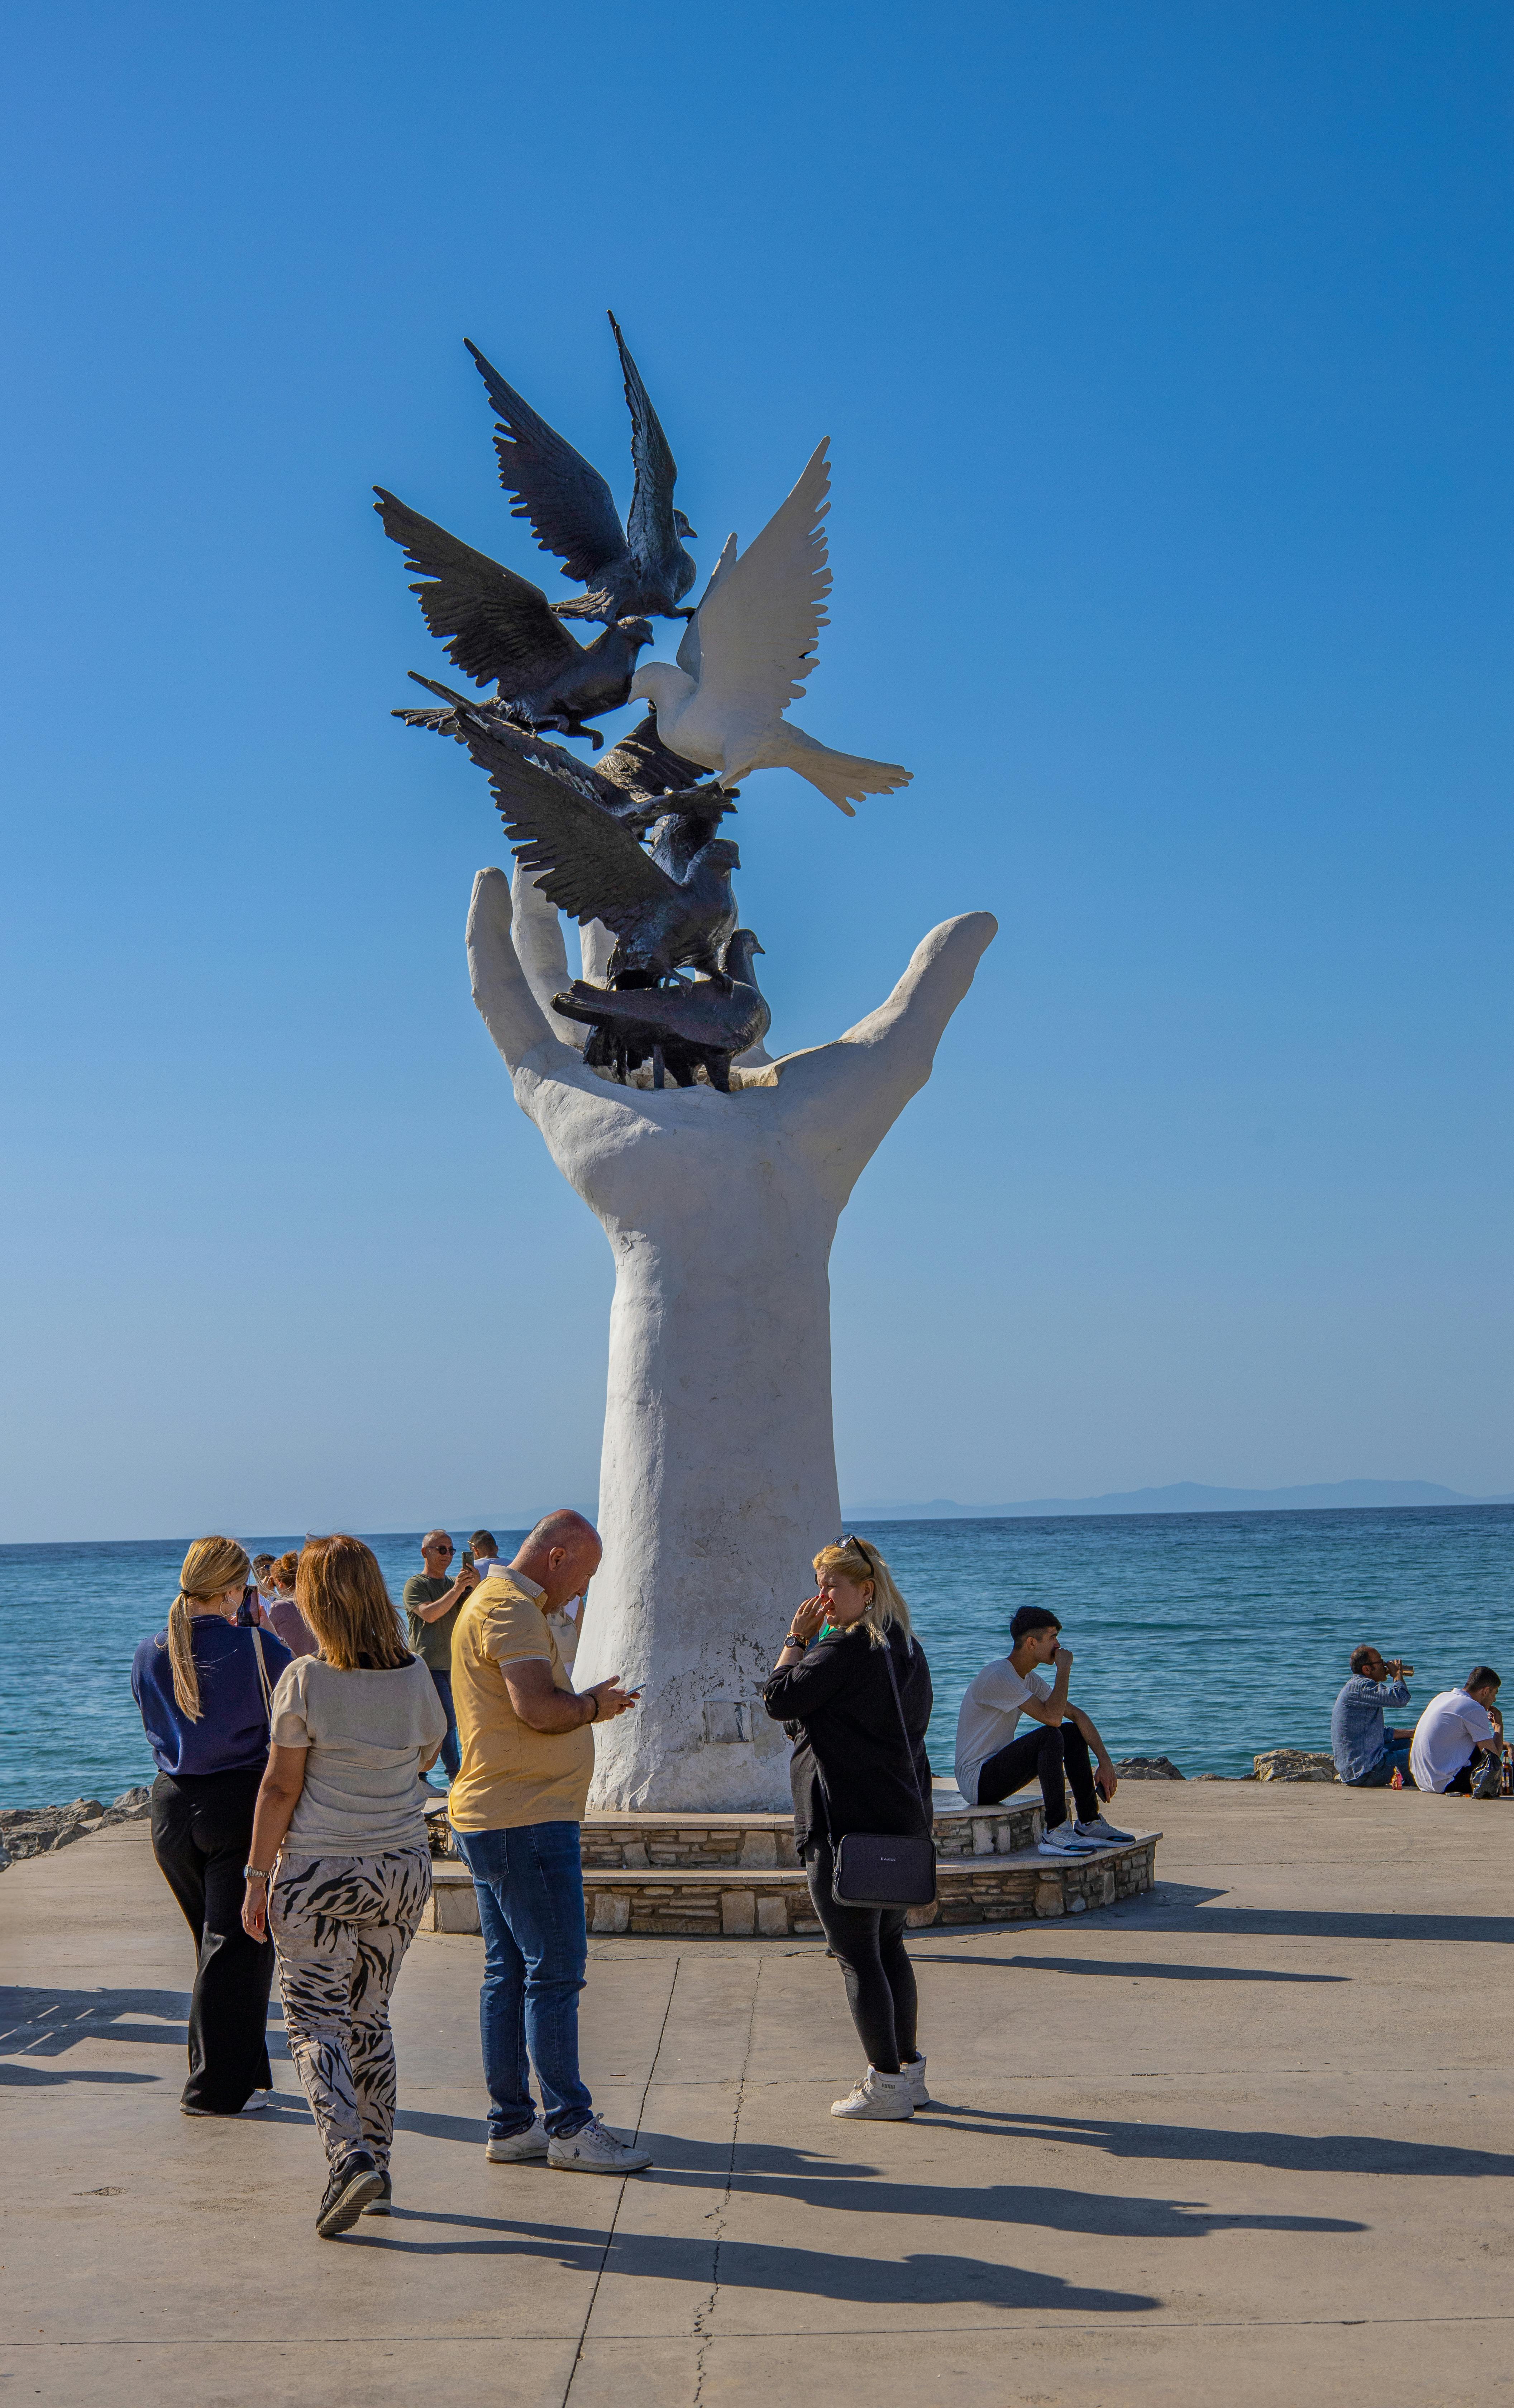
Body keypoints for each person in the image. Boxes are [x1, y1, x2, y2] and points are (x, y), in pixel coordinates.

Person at [241, 1533, 448, 2238]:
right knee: (370, 2015)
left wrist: (254, 1878)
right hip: (399, 1870)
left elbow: (278, 1788)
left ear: (317, 1601)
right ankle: (379, 2170)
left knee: (313, 2020)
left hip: (319, 1873)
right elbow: (426, 1754)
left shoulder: (304, 1679)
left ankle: (347, 2155)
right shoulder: (416, 1675)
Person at [448, 1509, 650, 2174]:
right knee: (556, 1970)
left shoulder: (497, 1602)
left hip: (497, 1812)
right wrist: (593, 1706)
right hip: (524, 1818)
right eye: (585, 1574)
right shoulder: (510, 1609)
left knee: (509, 1973)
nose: (584, 1591)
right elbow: (537, 1709)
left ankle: (512, 2125)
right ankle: (567, 2125)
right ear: (559, 1557)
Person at [764, 1535, 936, 2122]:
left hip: (842, 1826)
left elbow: (780, 1698)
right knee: (889, 1946)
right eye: (820, 1584)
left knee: (856, 1954)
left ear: (866, 1590)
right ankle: (907, 2074)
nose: (823, 1597)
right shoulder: (906, 1650)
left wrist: (796, 1640)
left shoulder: (840, 1650)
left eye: (832, 1585)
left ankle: (884, 2085)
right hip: (897, 1820)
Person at [131, 1535, 293, 2116]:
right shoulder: (259, 1648)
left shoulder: (150, 1651)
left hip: (171, 1809)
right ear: (232, 1590)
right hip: (238, 1808)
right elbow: (294, 1733)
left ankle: (241, 2075)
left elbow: (154, 1726)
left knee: (216, 1948)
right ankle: (214, 2092)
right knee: (241, 1948)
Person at [954, 1606, 1133, 1856]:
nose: (1058, 1646)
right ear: (1030, 1643)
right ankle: (1055, 1830)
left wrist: (1105, 1762)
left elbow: (1077, 1715)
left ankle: (1089, 1822)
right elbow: (1051, 1718)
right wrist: (1064, 1669)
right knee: (1050, 1734)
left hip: (995, 1771)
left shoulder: (1027, 1678)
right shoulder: (998, 1676)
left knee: (1070, 1732)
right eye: (1052, 1638)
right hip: (977, 1782)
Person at [402, 1531, 481, 1783]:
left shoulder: (452, 1586)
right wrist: (457, 1589)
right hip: (428, 1665)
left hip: (455, 1666)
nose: (448, 1555)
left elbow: (474, 1615)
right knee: (444, 1723)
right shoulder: (417, 1584)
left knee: (448, 1723)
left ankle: (423, 1776)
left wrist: (475, 1587)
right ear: (426, 1552)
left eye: (451, 1550)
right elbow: (430, 1614)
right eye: (442, 1549)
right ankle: (454, 1777)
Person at [1331, 1647, 1417, 1787]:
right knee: (1421, 1753)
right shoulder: (1363, 1687)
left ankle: (1409, 1784)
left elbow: (1377, 1734)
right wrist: (1398, 1675)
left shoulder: (1357, 1688)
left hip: (1356, 1770)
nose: (1385, 1665)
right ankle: (1422, 1787)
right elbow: (1401, 1699)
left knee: (1411, 1744)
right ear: (1367, 1669)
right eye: (1380, 1662)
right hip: (1365, 1772)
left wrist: (1416, 1732)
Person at [1409, 1668, 1504, 1796]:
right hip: (1446, 1783)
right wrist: (1498, 1727)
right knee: (1489, 1762)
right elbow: (1494, 1758)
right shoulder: (1473, 1707)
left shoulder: (1442, 1697)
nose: (1495, 1700)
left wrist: (1505, 1744)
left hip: (1423, 1781)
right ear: (1486, 1691)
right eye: (1495, 1694)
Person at [264, 1550, 318, 1658]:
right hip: (318, 1664)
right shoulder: (316, 1602)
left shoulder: (279, 1607)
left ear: (279, 1583)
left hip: (291, 1667)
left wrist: (264, 1594)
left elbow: (266, 1636)